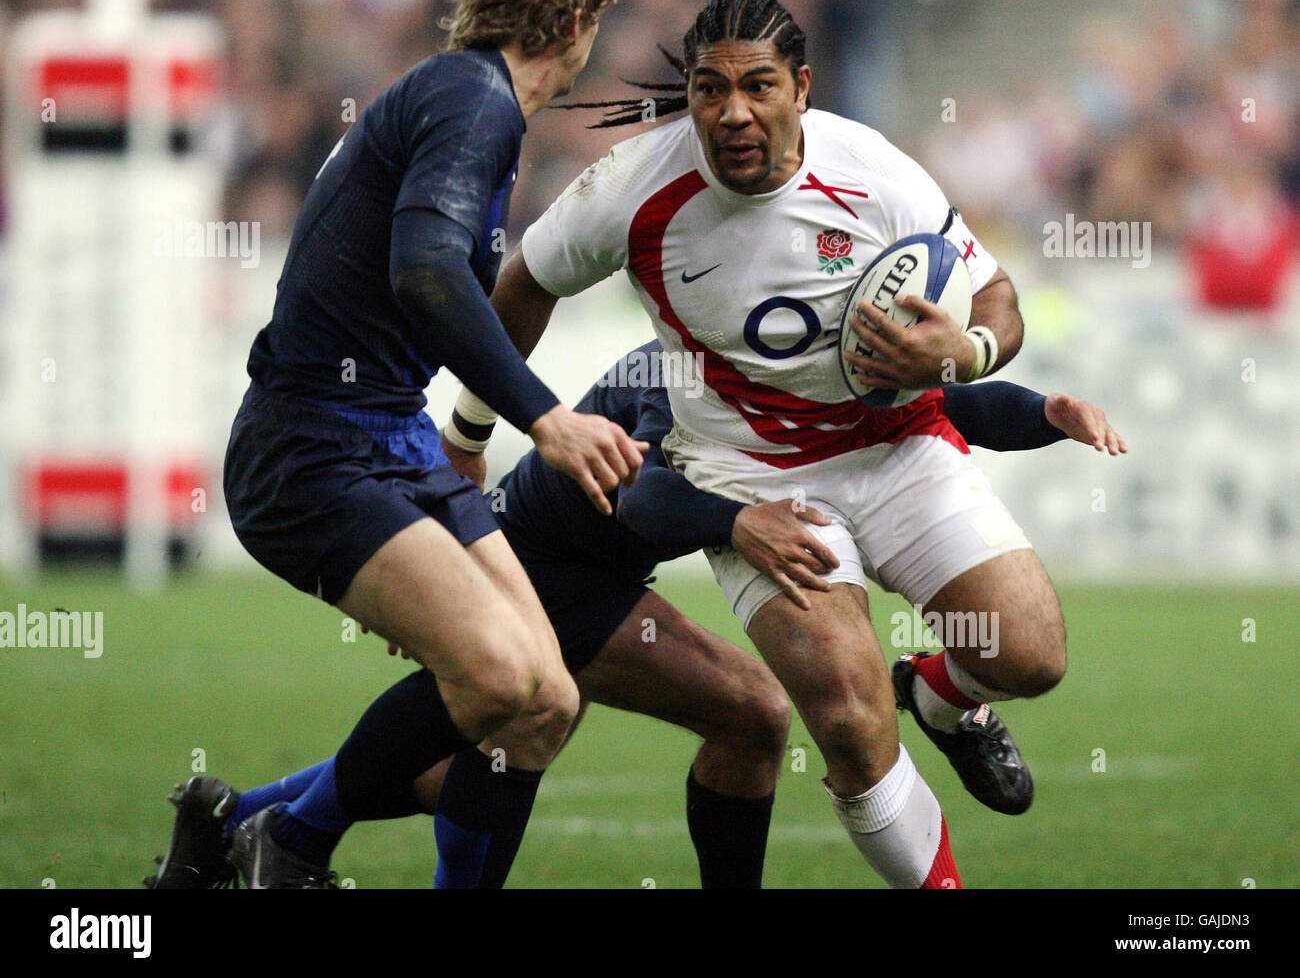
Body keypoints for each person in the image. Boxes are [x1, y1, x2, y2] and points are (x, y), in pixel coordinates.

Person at [445, 0, 1085, 889]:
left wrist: (967, 348)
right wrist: (470, 433)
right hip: (753, 485)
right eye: (710, 89)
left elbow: (997, 297)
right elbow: (524, 284)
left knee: (1029, 655)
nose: (733, 112)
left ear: (802, 89)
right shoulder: (634, 186)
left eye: (758, 86)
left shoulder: (870, 167)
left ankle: (943, 698)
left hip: (897, 445)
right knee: (854, 727)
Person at [145, 341, 1124, 888]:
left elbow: (942, 400)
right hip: (545, 567)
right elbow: (641, 500)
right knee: (729, 715)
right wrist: (741, 517)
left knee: (476, 762)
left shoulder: (803, 341)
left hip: (595, 571)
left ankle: (238, 815)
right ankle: (260, 824)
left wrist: (1046, 413)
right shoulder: (695, 369)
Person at [146, 0, 646, 890]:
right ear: (580, 17)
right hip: (315, 444)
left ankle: (238, 829)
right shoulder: (475, 101)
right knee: (502, 676)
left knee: (544, 704)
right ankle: (285, 848)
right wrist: (545, 417)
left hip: (389, 437)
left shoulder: (459, 95)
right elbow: (425, 271)